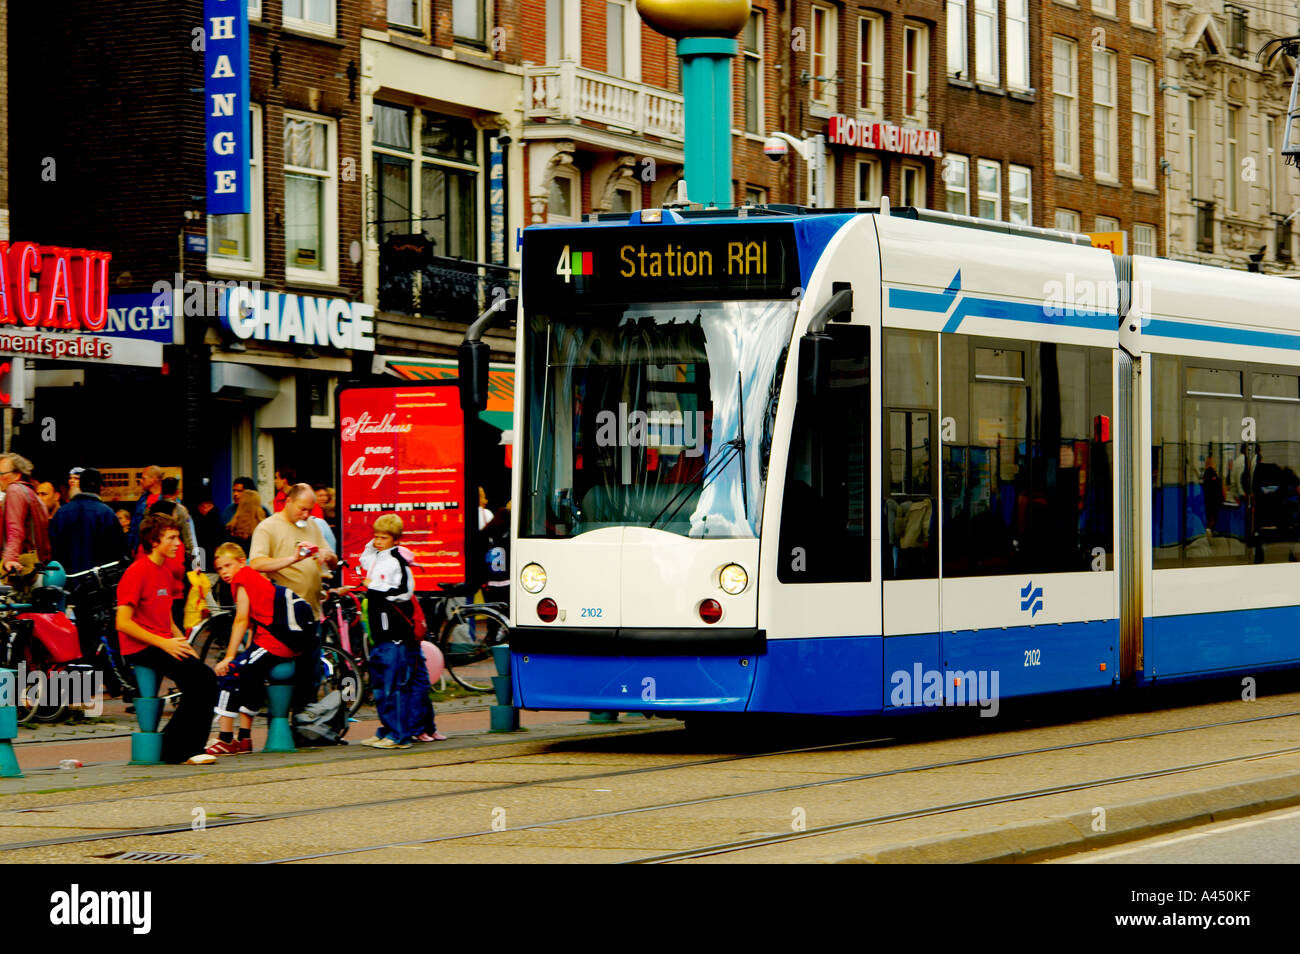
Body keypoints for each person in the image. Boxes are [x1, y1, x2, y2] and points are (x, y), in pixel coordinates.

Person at [114, 513, 217, 765]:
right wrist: (164, 643)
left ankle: (188, 746)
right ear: (154, 541)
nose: (177, 544)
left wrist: (182, 641)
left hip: (162, 641)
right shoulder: (137, 572)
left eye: (177, 538)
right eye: (171, 538)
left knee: (206, 678)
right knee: (201, 681)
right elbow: (123, 622)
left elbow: (166, 617)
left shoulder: (165, 571)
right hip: (142, 646)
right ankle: (177, 750)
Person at [206, 543, 301, 756]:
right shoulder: (256, 578)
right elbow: (253, 623)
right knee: (249, 675)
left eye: (228, 566)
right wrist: (247, 654)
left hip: (274, 642)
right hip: (279, 640)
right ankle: (245, 737)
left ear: (242, 562)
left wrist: (230, 657)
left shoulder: (243, 580)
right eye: (220, 569)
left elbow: (241, 620)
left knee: (231, 672)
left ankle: (226, 739)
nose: (224, 573)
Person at [357, 514, 442, 747]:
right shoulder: (378, 557)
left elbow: (402, 590)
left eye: (383, 537)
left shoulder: (397, 561)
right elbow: (364, 560)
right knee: (381, 686)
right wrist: (371, 545)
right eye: (376, 536)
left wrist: (373, 586)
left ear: (395, 540)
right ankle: (386, 729)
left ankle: (399, 735)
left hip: (394, 634)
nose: (378, 541)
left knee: (394, 686)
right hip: (380, 633)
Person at [249, 483, 336, 710]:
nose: (306, 515)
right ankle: (282, 721)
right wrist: (292, 559)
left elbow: (333, 560)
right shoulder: (268, 527)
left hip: (312, 612)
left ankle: (305, 727)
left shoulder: (312, 526)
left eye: (310, 510)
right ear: (288, 501)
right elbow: (256, 563)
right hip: (283, 616)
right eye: (301, 509)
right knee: (285, 673)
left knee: (311, 674)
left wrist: (328, 555)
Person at [50, 467, 125, 576]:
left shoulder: (61, 513)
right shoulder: (107, 513)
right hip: (98, 582)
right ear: (100, 487)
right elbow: (117, 551)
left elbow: (55, 549)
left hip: (68, 581)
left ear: (80, 485)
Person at [0, 453, 52, 592]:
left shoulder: (14, 490)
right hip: (37, 570)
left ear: (17, 475)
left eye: (2, 473)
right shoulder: (32, 494)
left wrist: (10, 558)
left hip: (20, 571)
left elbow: (15, 529)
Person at [126, 465, 164, 554]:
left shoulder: (168, 500)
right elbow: (134, 525)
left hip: (160, 550)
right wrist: (132, 547)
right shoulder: (142, 499)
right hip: (141, 550)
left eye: (144, 478)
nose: (141, 481)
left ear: (153, 479)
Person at [159, 476, 197, 564]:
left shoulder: (151, 509)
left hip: (157, 557)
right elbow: (188, 538)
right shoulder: (180, 510)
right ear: (177, 492)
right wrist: (195, 561)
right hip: (175, 556)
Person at [193, 497, 226, 571]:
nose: (201, 510)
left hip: (208, 560)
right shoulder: (219, 516)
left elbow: (202, 542)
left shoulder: (209, 519)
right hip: (215, 559)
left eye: (201, 507)